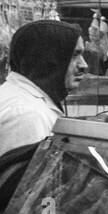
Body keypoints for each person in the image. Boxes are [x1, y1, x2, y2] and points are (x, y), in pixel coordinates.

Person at [0, 19, 86, 158]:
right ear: (48, 59)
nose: (84, 65)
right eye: (74, 55)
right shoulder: (26, 116)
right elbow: (27, 178)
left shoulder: (19, 98)